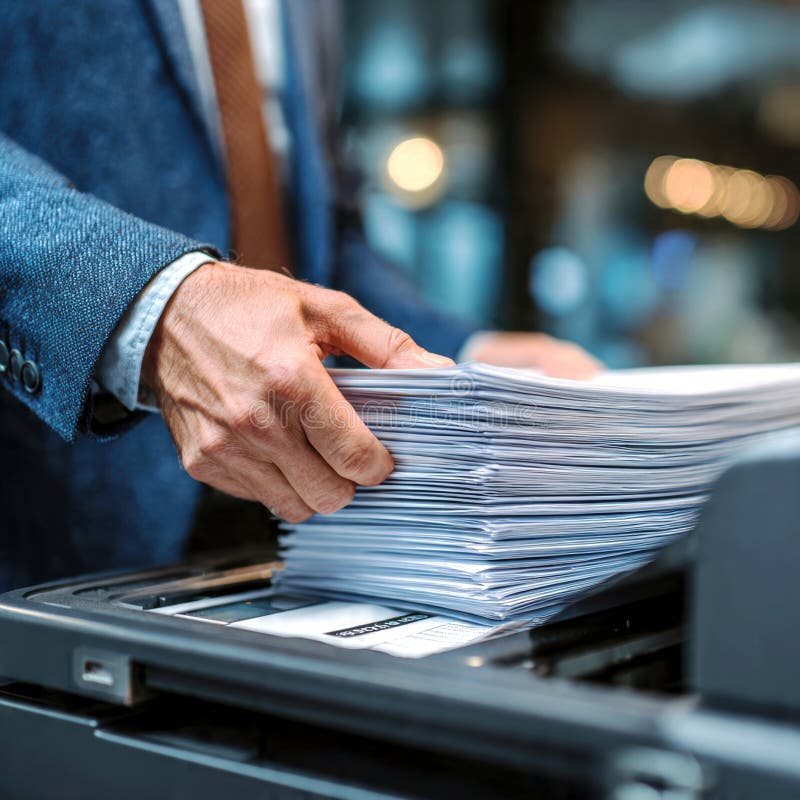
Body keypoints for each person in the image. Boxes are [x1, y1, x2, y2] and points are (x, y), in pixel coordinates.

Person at [0, 0, 599, 590]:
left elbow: (321, 237)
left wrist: (465, 354)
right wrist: (151, 307)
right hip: (55, 538)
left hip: (308, 527)